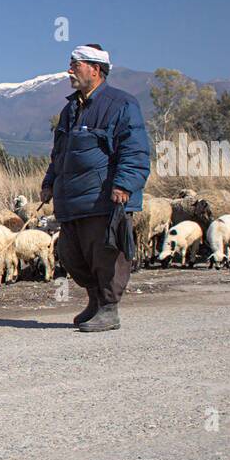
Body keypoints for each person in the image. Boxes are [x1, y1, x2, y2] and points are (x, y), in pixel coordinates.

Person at [40, 44, 150, 332]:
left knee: (105, 255)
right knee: (71, 254)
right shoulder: (70, 110)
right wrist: (49, 183)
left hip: (104, 199)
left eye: (75, 65)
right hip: (72, 200)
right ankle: (94, 302)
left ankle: (109, 308)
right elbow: (59, 153)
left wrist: (124, 184)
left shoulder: (121, 104)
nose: (70, 71)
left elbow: (134, 151)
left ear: (95, 69)